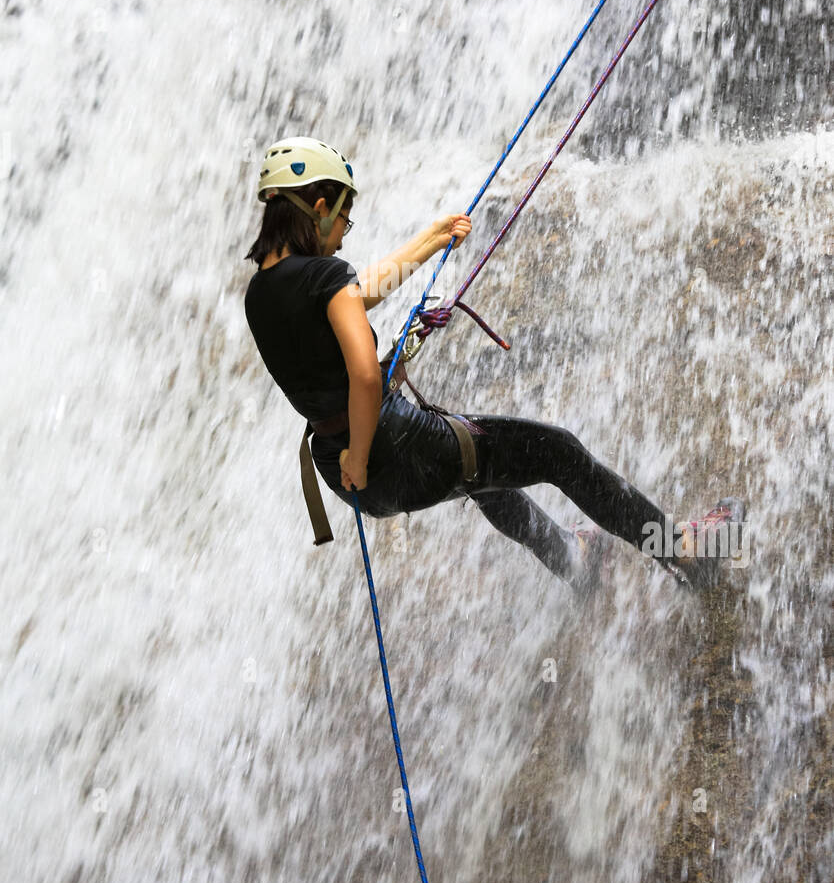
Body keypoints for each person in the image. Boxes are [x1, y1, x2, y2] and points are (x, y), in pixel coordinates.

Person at [244, 136, 743, 595]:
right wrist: (360, 452)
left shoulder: (260, 294)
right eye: (344, 221)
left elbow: (356, 298)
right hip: (390, 446)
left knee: (480, 472)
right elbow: (366, 374)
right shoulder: (325, 273)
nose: (342, 237)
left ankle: (572, 558)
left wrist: (430, 240)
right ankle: (686, 552)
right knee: (559, 452)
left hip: (349, 479)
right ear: (320, 208)